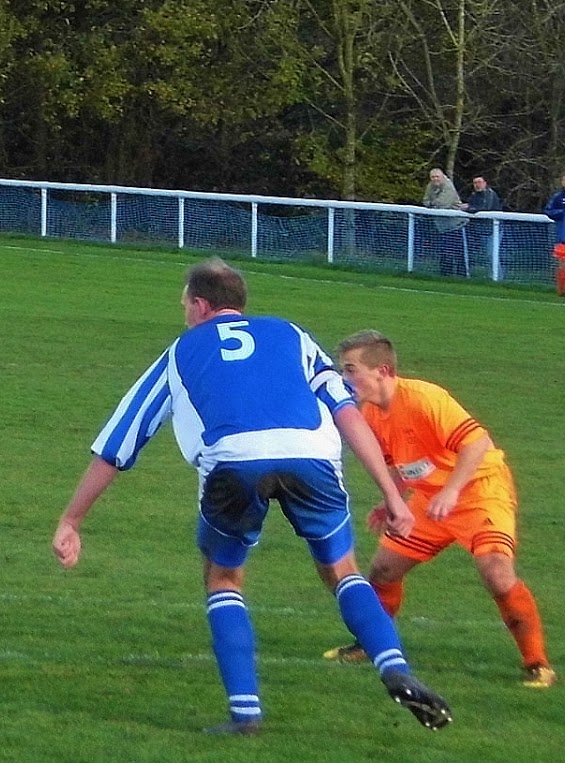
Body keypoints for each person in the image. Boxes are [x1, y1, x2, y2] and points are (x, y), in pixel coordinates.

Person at [50, 258, 452, 735]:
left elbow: (118, 444)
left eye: (184, 303)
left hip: (234, 459)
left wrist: (71, 519)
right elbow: (347, 414)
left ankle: (245, 715)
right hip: (311, 454)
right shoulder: (291, 333)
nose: (183, 312)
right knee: (341, 570)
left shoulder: (180, 352)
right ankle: (392, 665)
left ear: (200, 305)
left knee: (223, 577)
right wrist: (394, 497)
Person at [322, 330, 555, 688]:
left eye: (352, 370)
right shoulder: (368, 413)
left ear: (382, 371)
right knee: (383, 570)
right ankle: (372, 645)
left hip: (480, 491)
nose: (345, 378)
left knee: (496, 572)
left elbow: (478, 444)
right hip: (432, 500)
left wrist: (451, 490)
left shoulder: (424, 398)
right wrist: (392, 500)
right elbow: (400, 464)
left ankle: (537, 663)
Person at [423, 168, 468, 277]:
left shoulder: (448, 186)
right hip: (442, 227)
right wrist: (431, 204)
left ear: (442, 176)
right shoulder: (430, 186)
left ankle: (462, 276)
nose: (435, 179)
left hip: (456, 225)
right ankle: (445, 275)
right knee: (444, 252)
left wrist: (431, 204)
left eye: (437, 176)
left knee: (458, 253)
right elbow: (425, 201)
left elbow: (443, 204)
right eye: (433, 177)